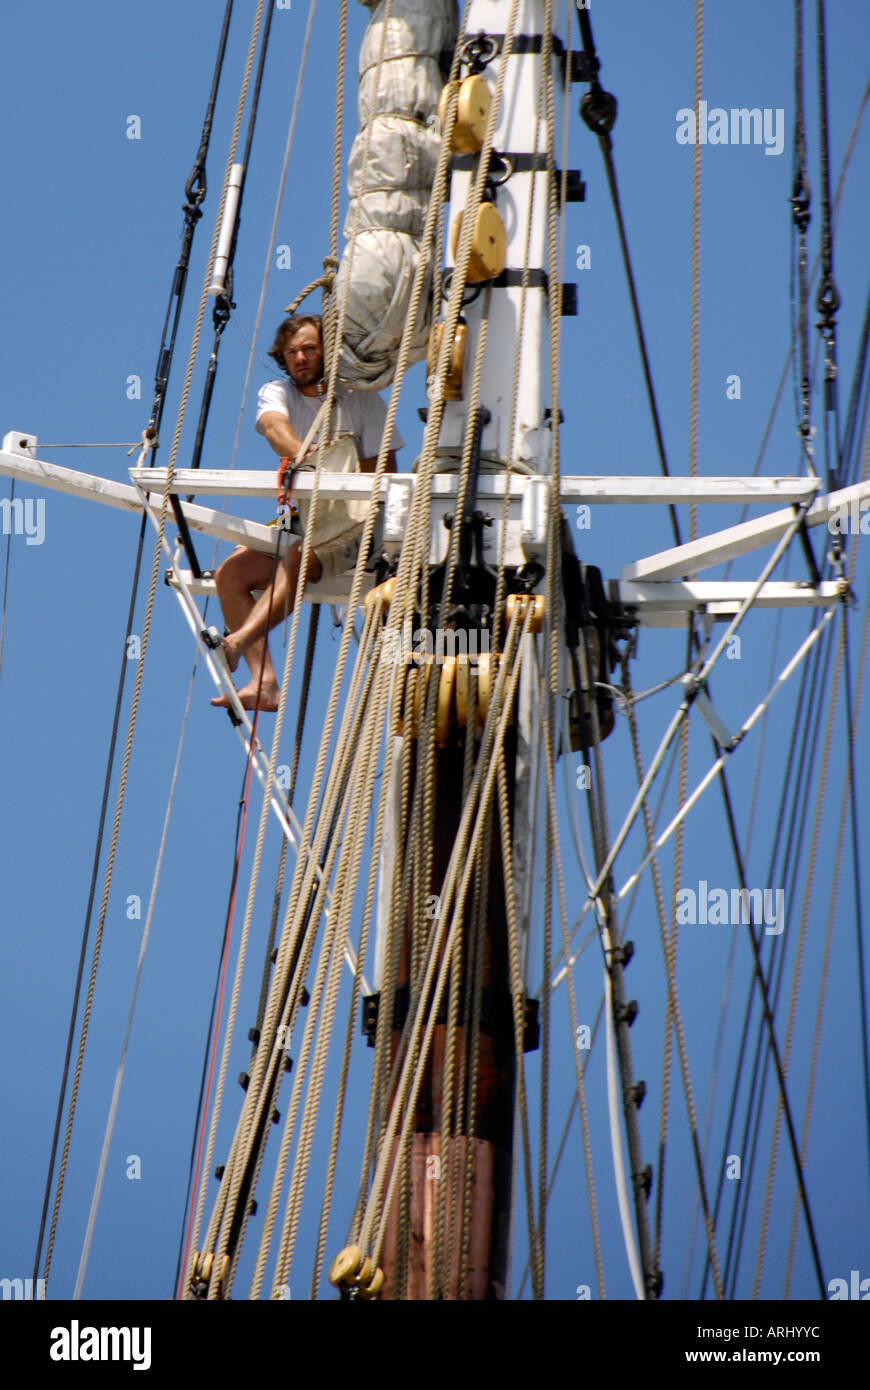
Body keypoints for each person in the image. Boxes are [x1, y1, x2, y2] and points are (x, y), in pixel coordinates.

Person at [210, 314, 403, 711]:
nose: (300, 357)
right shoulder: (278, 392)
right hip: (304, 521)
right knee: (231, 573)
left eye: (310, 349)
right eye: (292, 351)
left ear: (326, 351)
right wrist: (306, 454)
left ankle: (240, 639)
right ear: (282, 357)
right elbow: (272, 426)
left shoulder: (360, 399)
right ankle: (263, 682)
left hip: (357, 525)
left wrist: (339, 486)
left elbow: (385, 469)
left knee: (297, 558)